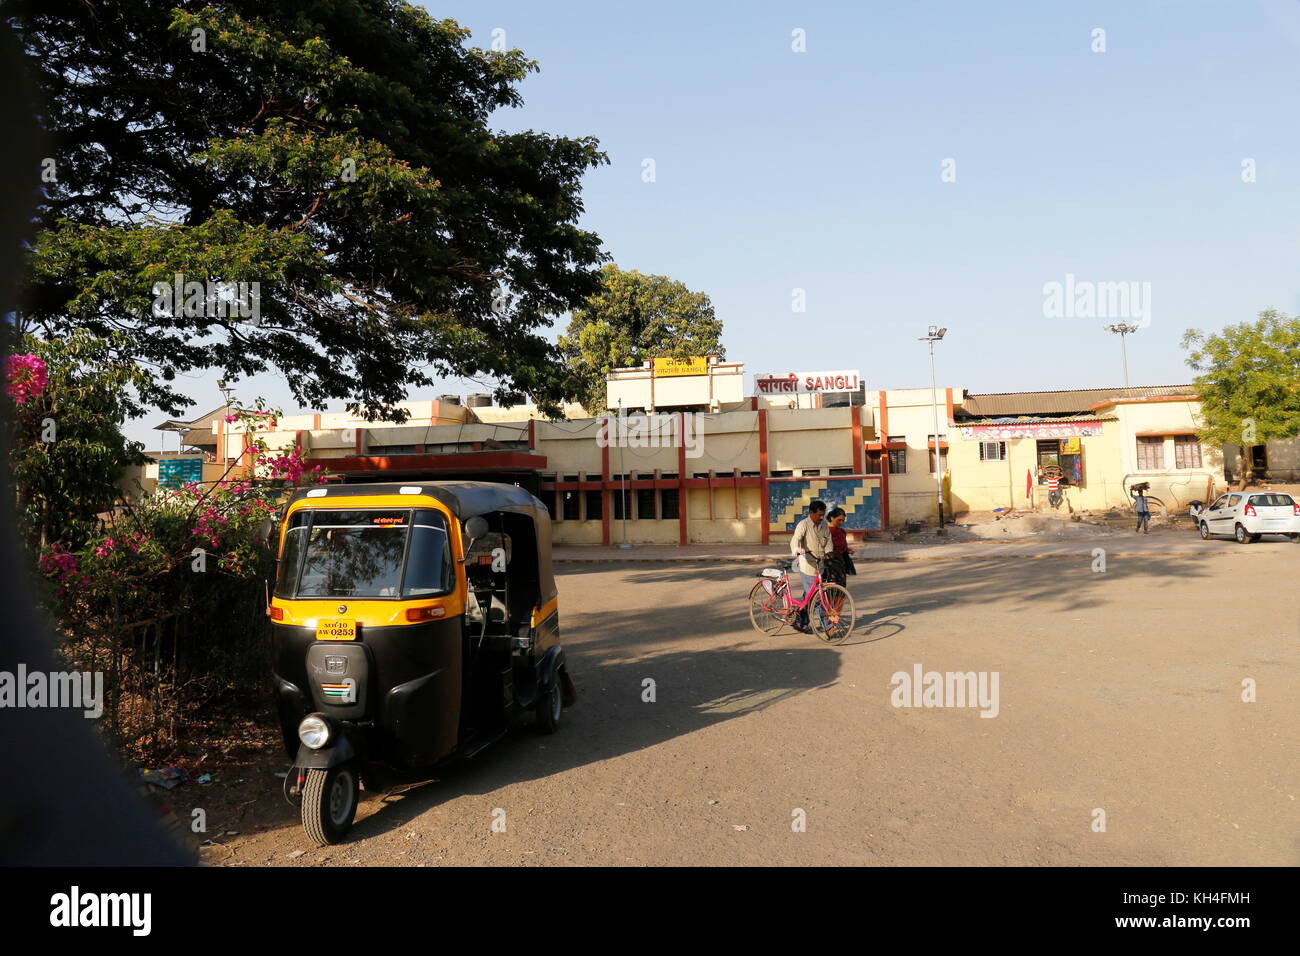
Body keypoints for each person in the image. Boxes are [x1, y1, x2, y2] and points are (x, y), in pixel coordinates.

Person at [790, 499, 830, 633]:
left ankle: (800, 622)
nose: (821, 517)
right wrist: (796, 548)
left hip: (820, 566)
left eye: (822, 515)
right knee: (817, 597)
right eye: (818, 515)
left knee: (808, 597)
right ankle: (827, 626)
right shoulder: (803, 524)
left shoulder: (824, 525)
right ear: (811, 513)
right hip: (808, 567)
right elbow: (796, 538)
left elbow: (828, 542)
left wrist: (830, 552)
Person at [823, 507, 856, 586]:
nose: (841, 522)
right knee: (832, 585)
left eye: (843, 521)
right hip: (831, 562)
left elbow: (842, 545)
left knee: (841, 585)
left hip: (841, 562)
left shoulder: (841, 531)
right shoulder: (826, 531)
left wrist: (847, 550)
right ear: (832, 518)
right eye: (839, 520)